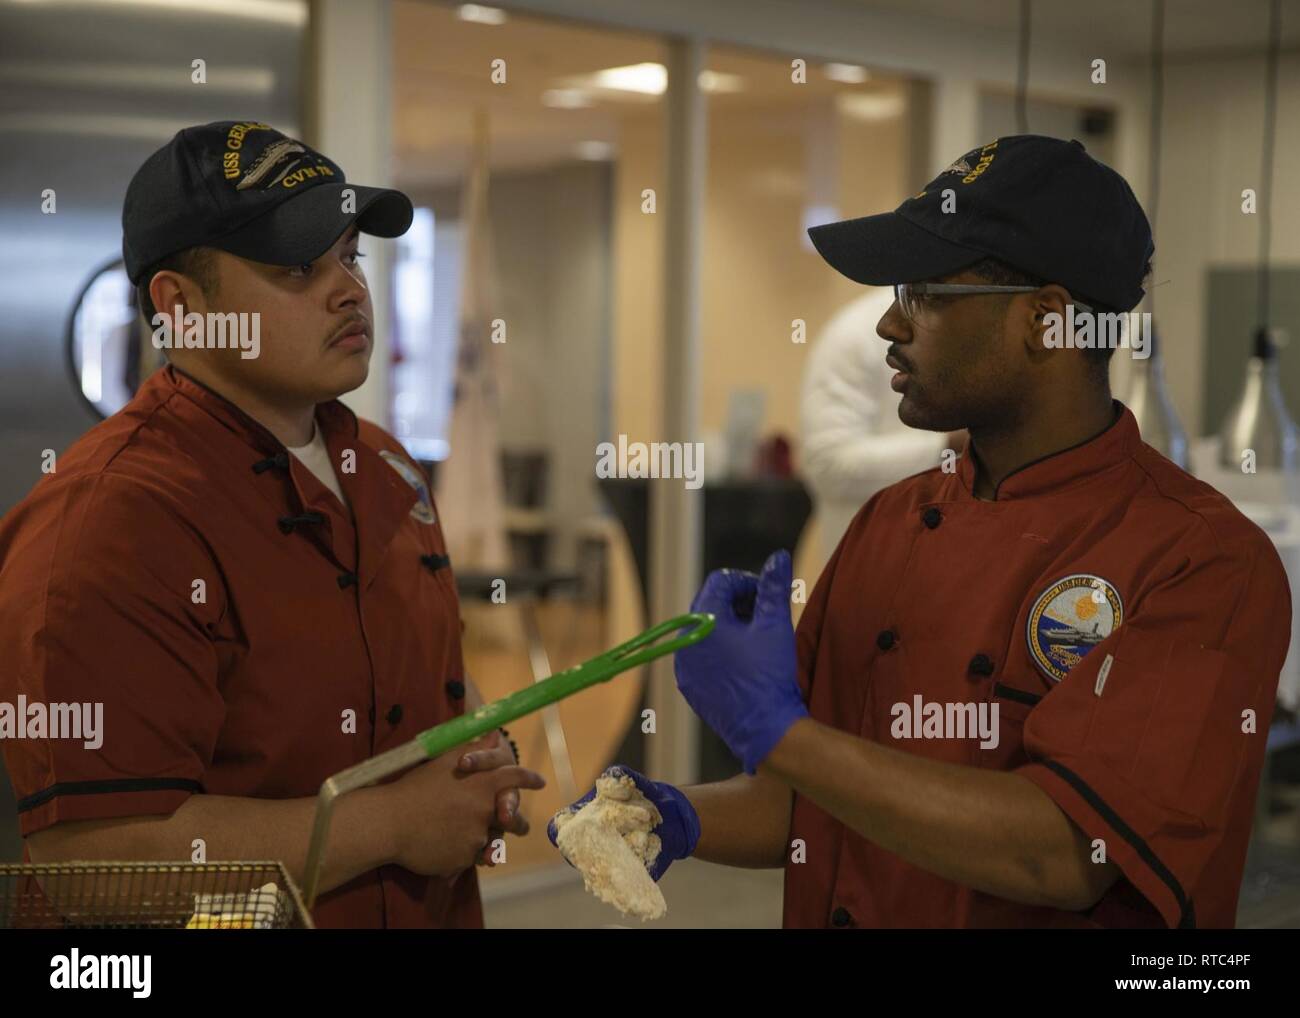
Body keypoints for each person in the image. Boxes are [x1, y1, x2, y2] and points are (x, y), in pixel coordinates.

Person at [552, 135, 1291, 929]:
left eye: (926, 293)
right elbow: (816, 798)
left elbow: (1065, 854)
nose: (888, 323)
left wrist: (780, 732)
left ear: (1045, 320)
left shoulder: (1204, 561)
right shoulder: (890, 521)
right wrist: (677, 814)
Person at [0, 121, 544, 928]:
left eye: (349, 257)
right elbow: (93, 863)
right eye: (297, 266)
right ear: (181, 307)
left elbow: (414, 682)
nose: (350, 290)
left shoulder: (388, 471)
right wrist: (395, 823)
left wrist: (473, 742)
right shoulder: (112, 520)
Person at [800, 287, 958, 562]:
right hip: (870, 569)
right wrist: (950, 445)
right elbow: (826, 463)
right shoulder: (854, 334)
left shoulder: (974, 319)